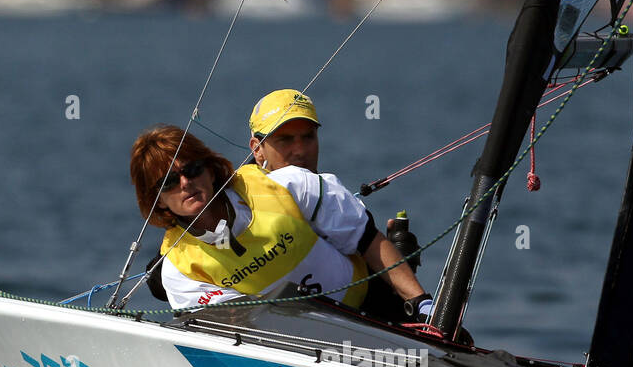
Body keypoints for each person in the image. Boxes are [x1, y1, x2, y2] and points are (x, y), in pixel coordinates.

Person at [131, 125, 433, 322]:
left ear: (210, 171)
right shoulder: (177, 268)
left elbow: (368, 240)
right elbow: (233, 330)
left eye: (193, 169)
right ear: (156, 199)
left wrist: (421, 303)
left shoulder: (289, 185)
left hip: (378, 309)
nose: (186, 183)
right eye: (169, 182)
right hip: (301, 353)